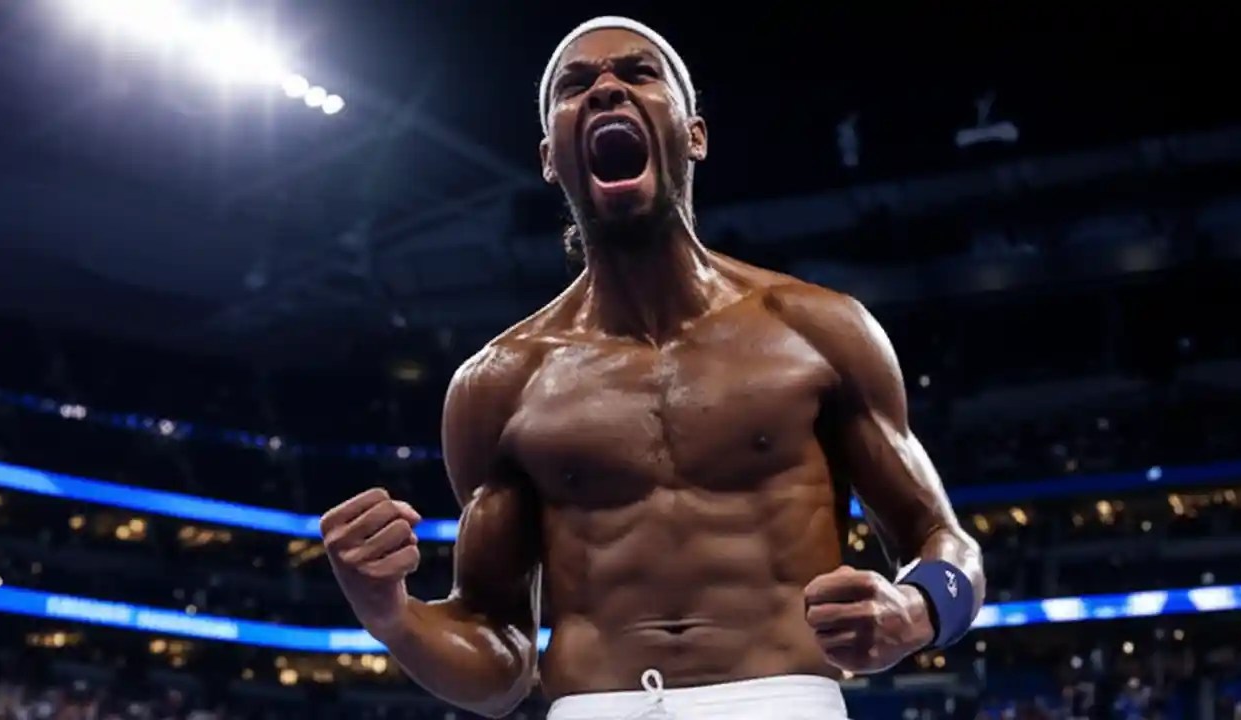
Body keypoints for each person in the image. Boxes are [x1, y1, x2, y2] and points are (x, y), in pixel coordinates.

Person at [320, 16, 984, 720]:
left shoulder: (820, 329)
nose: (606, 88)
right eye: (576, 85)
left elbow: (947, 542)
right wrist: (391, 617)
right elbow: (500, 657)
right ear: (551, 157)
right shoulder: (498, 385)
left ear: (694, 135)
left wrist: (914, 610)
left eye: (637, 73)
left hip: (782, 698)